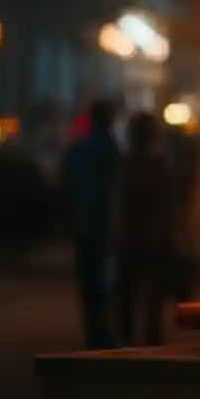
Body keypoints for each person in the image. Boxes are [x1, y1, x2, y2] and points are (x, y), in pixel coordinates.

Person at [61, 99, 122, 349]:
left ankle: (94, 331)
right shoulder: (111, 149)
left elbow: (65, 184)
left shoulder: (79, 149)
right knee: (105, 281)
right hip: (106, 224)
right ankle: (104, 332)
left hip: (83, 223)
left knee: (88, 281)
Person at [112, 112, 174, 346]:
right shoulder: (158, 166)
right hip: (152, 237)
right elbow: (166, 207)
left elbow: (116, 202)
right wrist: (169, 236)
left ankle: (126, 339)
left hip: (128, 236)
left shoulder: (125, 165)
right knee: (152, 294)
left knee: (126, 294)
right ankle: (152, 339)